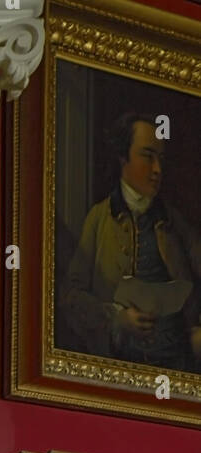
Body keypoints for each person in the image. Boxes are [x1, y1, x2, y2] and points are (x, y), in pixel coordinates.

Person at [60, 113, 201, 370]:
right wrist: (116, 318)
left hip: (177, 365)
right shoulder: (99, 218)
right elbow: (71, 296)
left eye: (161, 159)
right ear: (123, 158)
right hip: (120, 367)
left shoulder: (174, 221)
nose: (157, 169)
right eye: (148, 156)